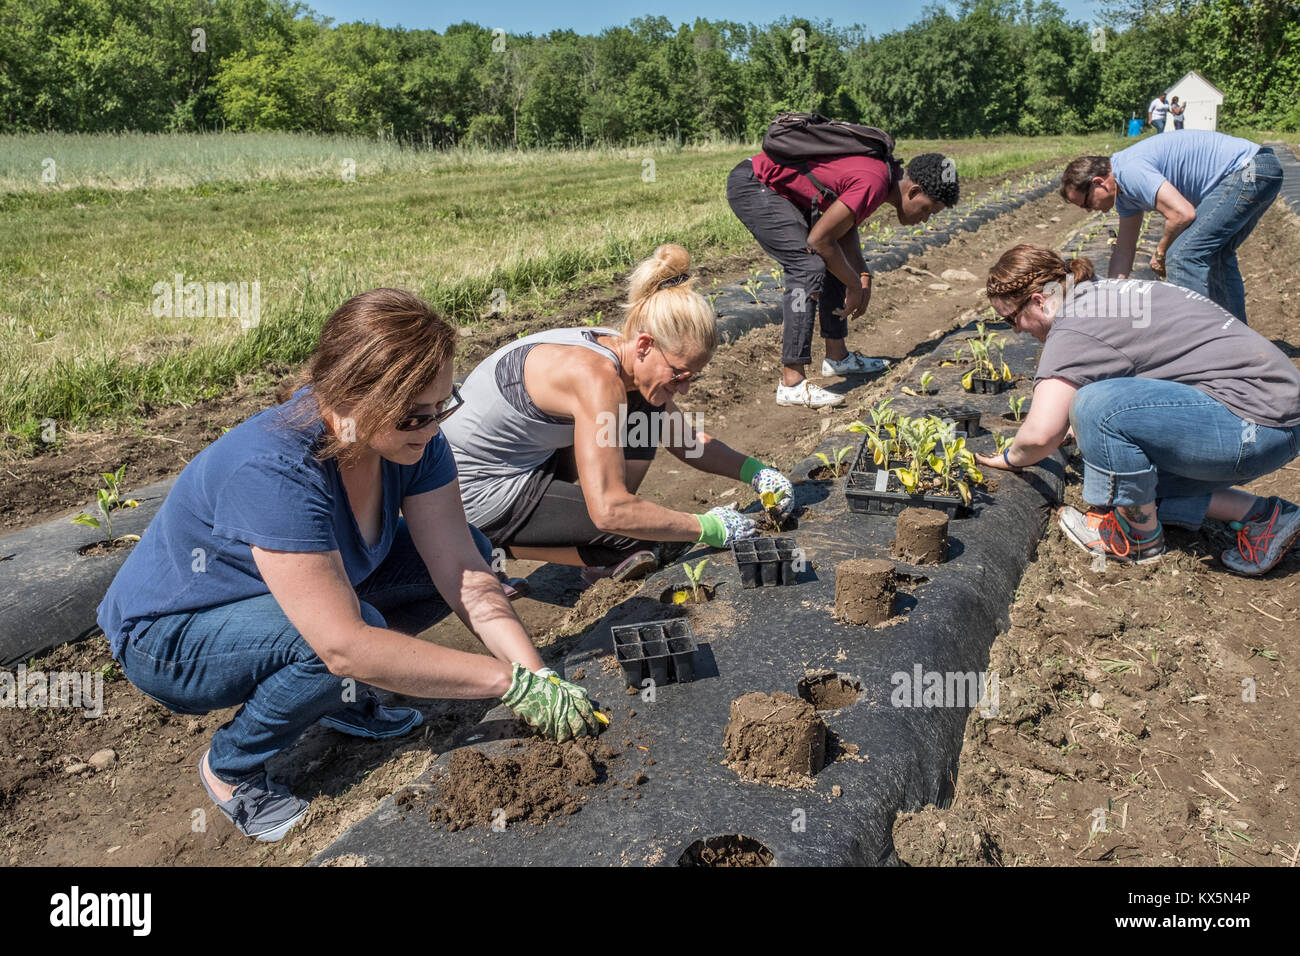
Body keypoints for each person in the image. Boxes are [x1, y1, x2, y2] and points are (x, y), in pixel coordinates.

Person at [97, 289, 603, 843]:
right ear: (349, 398)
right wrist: (507, 683)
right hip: (172, 634)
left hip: (286, 600)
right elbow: (342, 642)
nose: (434, 428)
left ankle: (336, 696)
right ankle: (231, 768)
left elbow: (460, 568)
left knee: (475, 554)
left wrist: (538, 673)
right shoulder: (273, 468)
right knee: (330, 647)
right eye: (415, 415)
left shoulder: (414, 438)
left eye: (443, 406)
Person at [442, 243, 795, 581]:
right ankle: (485, 548)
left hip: (528, 458)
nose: (685, 388)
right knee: (636, 539)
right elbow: (609, 510)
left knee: (648, 406)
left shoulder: (624, 355)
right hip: (472, 492)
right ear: (645, 344)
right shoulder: (596, 379)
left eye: (693, 378)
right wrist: (707, 527)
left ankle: (604, 521)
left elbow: (686, 441)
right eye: (680, 375)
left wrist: (758, 473)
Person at [975, 244, 1300, 572]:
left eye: (1011, 319)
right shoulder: (1099, 294)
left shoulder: (1073, 325)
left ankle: (1136, 538)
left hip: (1252, 424)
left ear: (1038, 301)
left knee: (1094, 406)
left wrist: (1008, 458)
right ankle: (1264, 517)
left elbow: (1040, 435)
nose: (1016, 330)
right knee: (1123, 481)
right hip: (1273, 417)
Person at [727, 147, 959, 408]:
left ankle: (837, 357)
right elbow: (819, 240)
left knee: (834, 258)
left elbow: (841, 230)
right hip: (756, 183)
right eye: (929, 210)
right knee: (807, 265)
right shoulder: (874, 181)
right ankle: (791, 383)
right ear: (914, 191)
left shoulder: (881, 178)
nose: (926, 219)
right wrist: (853, 284)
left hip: (778, 188)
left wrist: (861, 274)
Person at [1058, 130, 1282, 322]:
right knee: (1218, 256)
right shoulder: (1124, 195)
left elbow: (1182, 214)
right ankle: (1237, 343)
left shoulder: (1129, 171)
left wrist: (1161, 252)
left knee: (1182, 256)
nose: (1088, 210)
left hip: (1250, 171)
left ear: (1099, 183)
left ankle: (1198, 343)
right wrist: (1108, 298)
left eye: (1086, 203)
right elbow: (1124, 251)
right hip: (1259, 169)